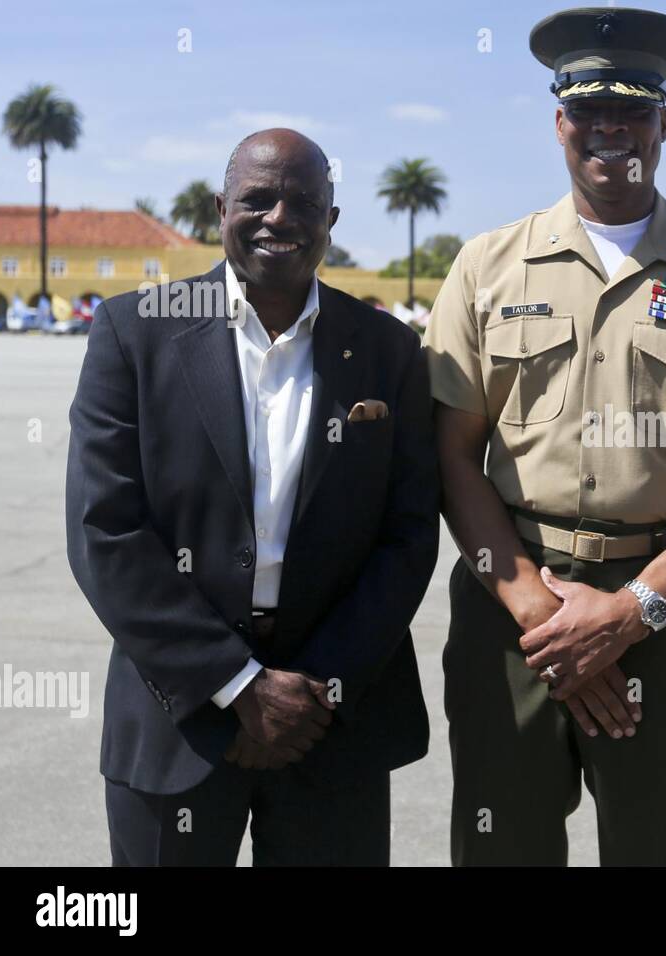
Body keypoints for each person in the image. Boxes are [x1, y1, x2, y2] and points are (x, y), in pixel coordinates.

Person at [424, 6, 666, 865]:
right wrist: (541, 610)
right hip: (511, 609)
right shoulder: (486, 268)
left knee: (662, 847)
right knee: (502, 847)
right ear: (559, 121)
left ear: (664, 123)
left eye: (633, 110)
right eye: (590, 111)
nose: (612, 130)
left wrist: (632, 613)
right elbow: (451, 454)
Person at [66, 128, 440, 865]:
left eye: (304, 202)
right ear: (220, 209)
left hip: (334, 718)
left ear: (331, 220)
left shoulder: (386, 351)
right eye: (258, 198)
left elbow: (408, 535)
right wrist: (235, 686)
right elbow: (105, 530)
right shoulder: (132, 333)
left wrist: (313, 691)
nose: (280, 217)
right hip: (178, 713)